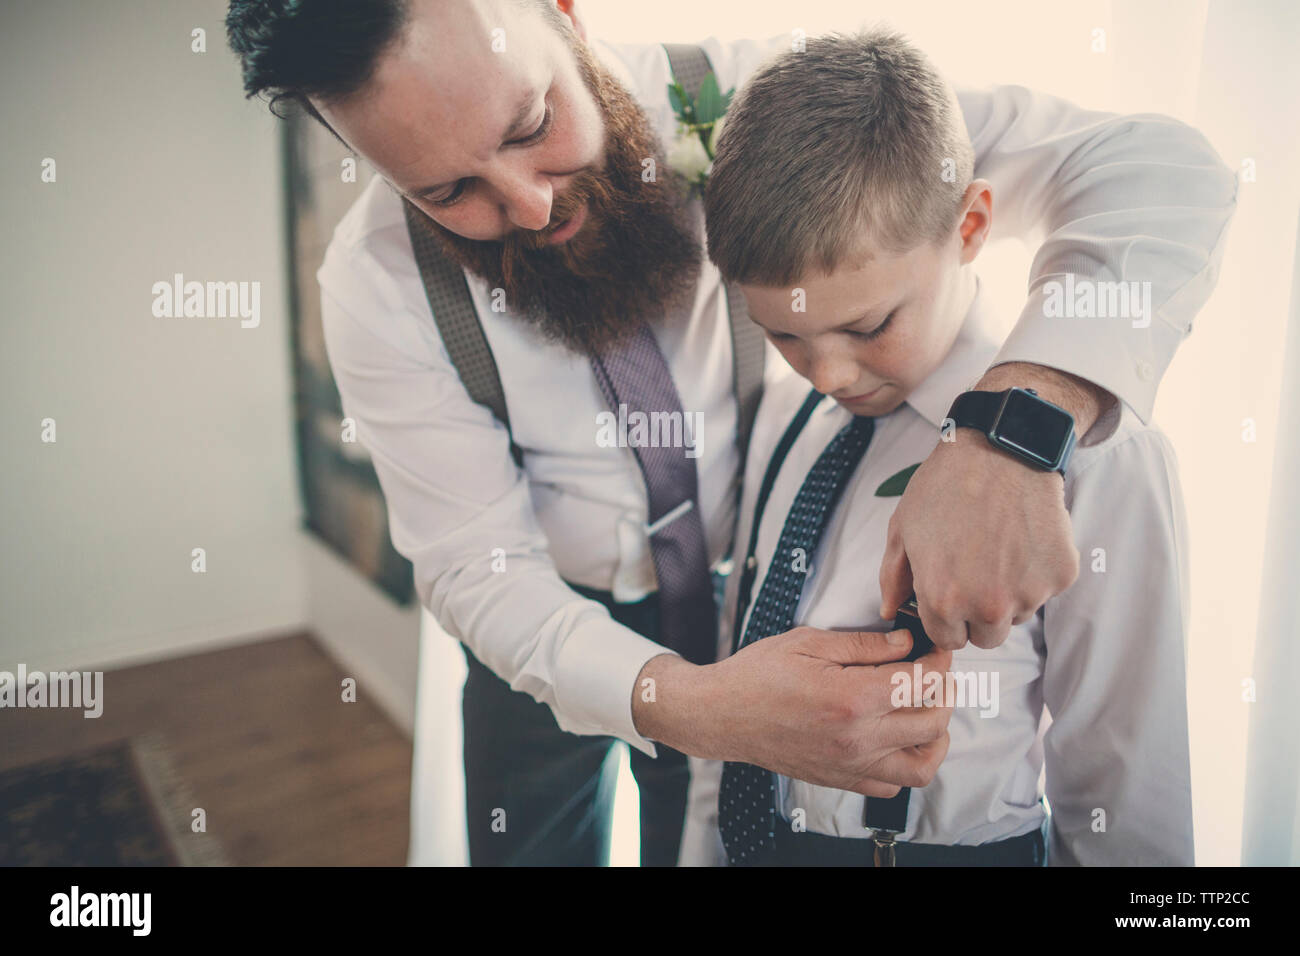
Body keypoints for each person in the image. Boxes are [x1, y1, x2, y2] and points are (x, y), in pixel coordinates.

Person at [223, 0, 1234, 866]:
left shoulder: (766, 112)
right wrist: (698, 706)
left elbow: (1152, 166)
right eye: (446, 193)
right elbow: (473, 570)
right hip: (541, 617)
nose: (529, 205)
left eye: (532, 123)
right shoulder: (375, 285)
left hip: (748, 584)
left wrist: (1017, 426)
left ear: (562, 16)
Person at [685, 29, 1196, 866]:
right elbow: (738, 678)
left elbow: (1127, 787)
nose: (829, 372)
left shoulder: (1101, 456)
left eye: (868, 324)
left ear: (970, 226)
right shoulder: (786, 415)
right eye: (783, 334)